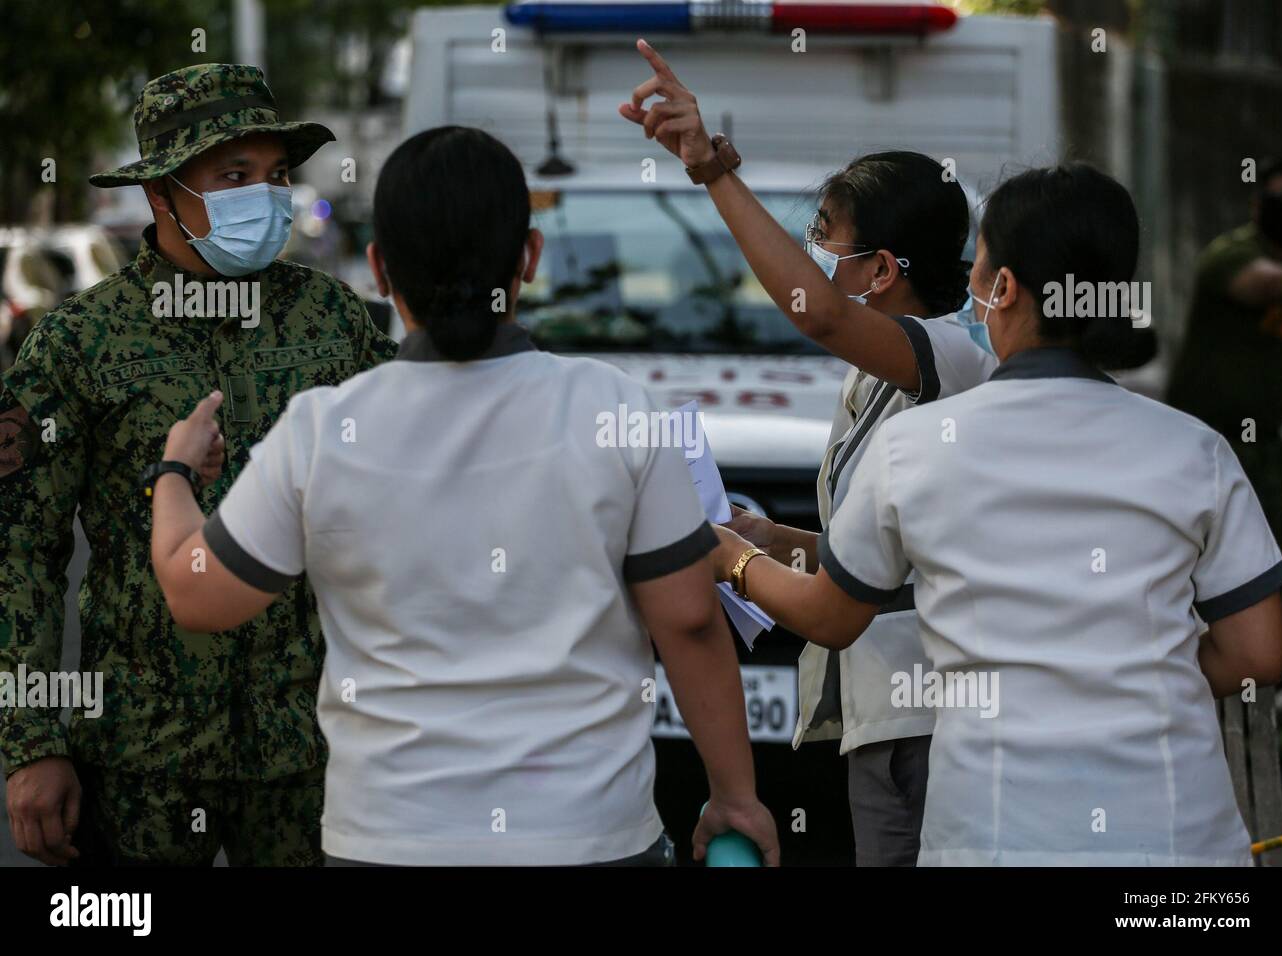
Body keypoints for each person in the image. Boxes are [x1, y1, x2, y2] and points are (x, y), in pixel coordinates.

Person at [149, 126, 781, 867]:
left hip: (390, 839)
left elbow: (197, 595)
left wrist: (176, 475)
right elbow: (690, 622)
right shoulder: (616, 408)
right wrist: (735, 796)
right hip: (590, 836)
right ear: (531, 258)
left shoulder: (324, 429)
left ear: (380, 271)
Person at [708, 162, 1282, 865]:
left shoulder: (918, 445)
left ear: (1005, 288)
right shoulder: (1199, 451)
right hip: (1179, 843)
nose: (969, 292)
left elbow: (832, 615)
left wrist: (730, 559)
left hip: (996, 833)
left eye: (978, 272)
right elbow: (1257, 655)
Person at [0, 64, 396, 867]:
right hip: (137, 754)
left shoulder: (332, 319)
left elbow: (418, 473)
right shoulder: (79, 341)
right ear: (162, 194)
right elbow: (21, 552)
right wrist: (31, 743)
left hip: (306, 746)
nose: (267, 193)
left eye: (277, 174)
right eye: (235, 175)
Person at [619, 40, 996, 865]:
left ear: (884, 270)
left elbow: (816, 314)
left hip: (936, 720)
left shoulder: (957, 357)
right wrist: (780, 543)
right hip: (884, 716)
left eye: (825, 240)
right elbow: (898, 559)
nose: (813, 257)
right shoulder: (877, 381)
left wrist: (712, 173)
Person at [1166, 157, 1282, 564]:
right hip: (1204, 437)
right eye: (1281, 199)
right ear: (1257, 204)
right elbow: (1266, 283)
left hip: (1265, 444)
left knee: (1269, 566)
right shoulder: (1230, 255)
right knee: (1193, 560)